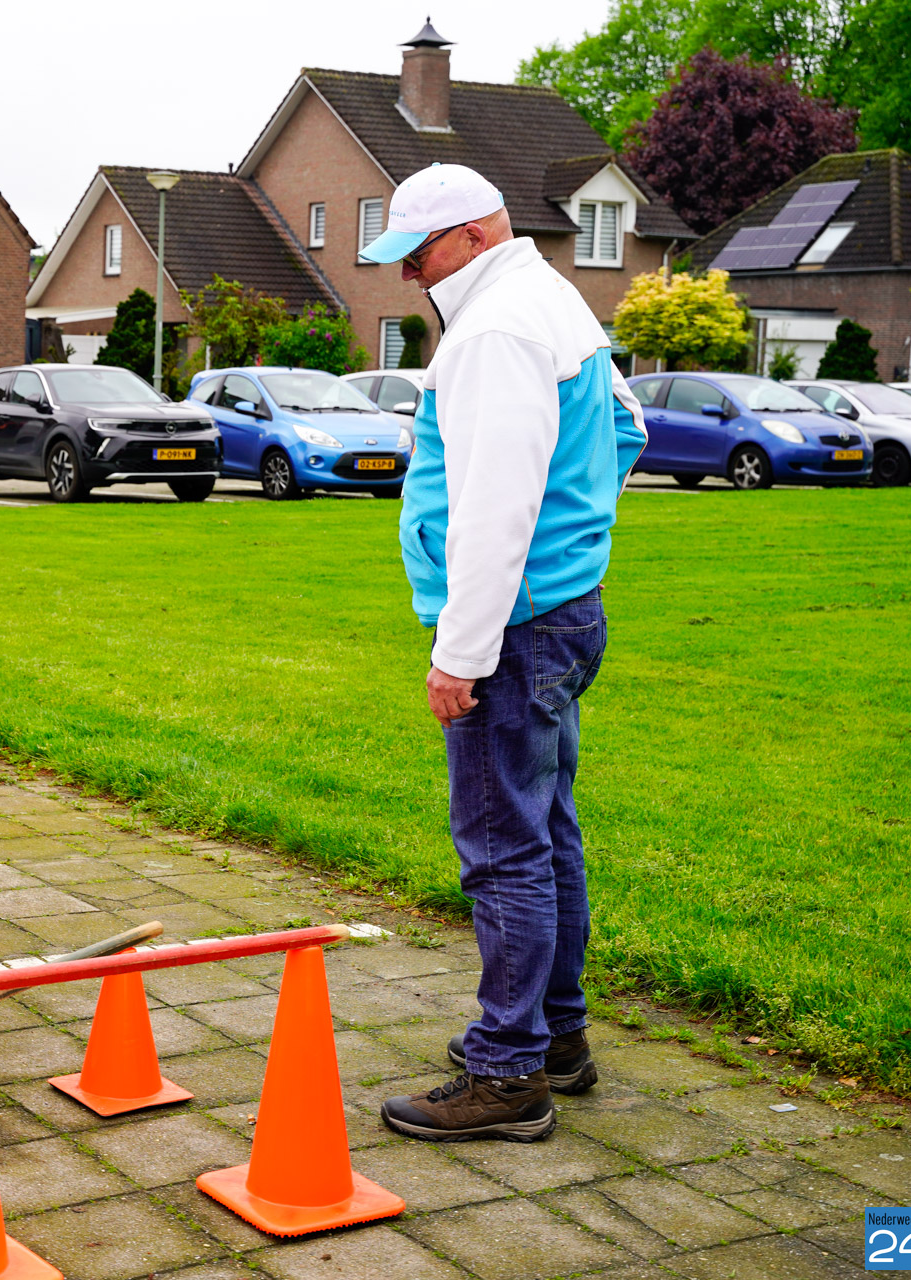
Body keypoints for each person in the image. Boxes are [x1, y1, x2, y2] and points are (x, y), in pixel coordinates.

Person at [358, 165, 646, 1143]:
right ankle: (555, 1038)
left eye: (421, 254)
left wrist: (461, 653)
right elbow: (626, 427)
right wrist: (581, 518)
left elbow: (495, 508)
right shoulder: (553, 303)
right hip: (564, 609)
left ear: (476, 235)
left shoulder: (493, 330)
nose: (411, 279)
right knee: (546, 832)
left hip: (514, 629)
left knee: (503, 849)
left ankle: (510, 1070)